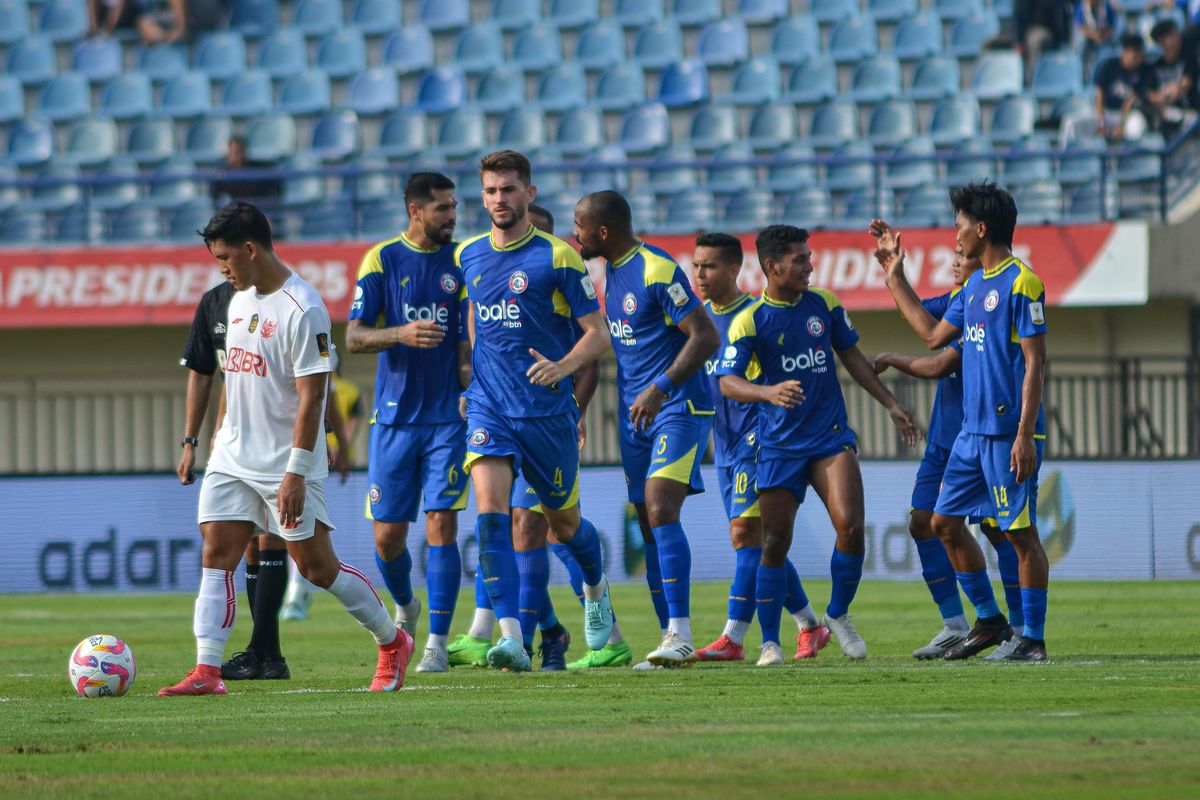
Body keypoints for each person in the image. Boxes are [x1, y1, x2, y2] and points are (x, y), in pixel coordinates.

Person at [159, 202, 413, 696]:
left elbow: (313, 394)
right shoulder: (235, 301)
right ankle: (207, 670)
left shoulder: (304, 307)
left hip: (286, 464)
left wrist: (296, 472)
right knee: (217, 553)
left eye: (226, 258)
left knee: (317, 568)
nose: (222, 269)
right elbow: (233, 374)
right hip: (234, 456)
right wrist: (217, 438)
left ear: (251, 249)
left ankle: (392, 641)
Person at [717, 225, 920, 664]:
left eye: (810, 258)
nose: (810, 266)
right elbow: (729, 383)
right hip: (777, 445)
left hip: (829, 437)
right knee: (774, 542)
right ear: (772, 266)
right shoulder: (750, 320)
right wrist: (767, 392)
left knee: (850, 528)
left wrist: (891, 404)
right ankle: (770, 643)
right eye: (800, 260)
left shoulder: (824, 304)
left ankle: (839, 614)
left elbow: (851, 358)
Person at [879, 181, 1051, 662]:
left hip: (1006, 434)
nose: (954, 236)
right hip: (969, 436)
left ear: (981, 228)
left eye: (958, 226)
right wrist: (894, 276)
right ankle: (991, 622)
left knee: (1019, 534)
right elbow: (934, 336)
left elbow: (1036, 363)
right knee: (943, 523)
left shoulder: (1023, 282)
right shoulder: (973, 285)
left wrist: (1023, 434)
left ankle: (1032, 640)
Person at [456, 150, 614, 672]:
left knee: (563, 526)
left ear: (530, 194)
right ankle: (511, 639)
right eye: (490, 191)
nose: (499, 199)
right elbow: (478, 320)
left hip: (546, 415)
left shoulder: (558, 257)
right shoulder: (470, 256)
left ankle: (594, 587)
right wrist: (477, 378)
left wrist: (561, 367)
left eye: (508, 189)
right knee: (490, 520)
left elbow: (599, 334)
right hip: (489, 410)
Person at [573, 191, 721, 667]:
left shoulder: (657, 269)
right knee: (648, 521)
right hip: (637, 417)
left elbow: (706, 335)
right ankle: (667, 637)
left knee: (660, 508)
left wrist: (660, 385)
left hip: (677, 405)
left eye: (579, 226)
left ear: (602, 231)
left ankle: (681, 633)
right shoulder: (611, 273)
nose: (574, 234)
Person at [343, 172, 471, 674]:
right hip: (394, 419)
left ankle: (437, 641)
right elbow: (353, 336)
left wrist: (469, 381)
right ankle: (408, 607)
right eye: (443, 208)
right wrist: (400, 332)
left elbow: (467, 341)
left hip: (447, 418)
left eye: (454, 207)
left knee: (442, 524)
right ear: (416, 211)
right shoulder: (382, 259)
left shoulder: (462, 261)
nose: (453, 216)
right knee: (387, 538)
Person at [691, 233, 829, 666]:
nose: (699, 275)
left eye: (709, 266)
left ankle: (735, 635)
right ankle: (810, 624)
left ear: (734, 270)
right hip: (725, 442)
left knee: (746, 535)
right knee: (759, 542)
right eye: (696, 266)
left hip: (759, 438)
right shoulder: (696, 323)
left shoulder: (756, 315)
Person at [178, 275, 300, 680]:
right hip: (235, 445)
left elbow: (314, 377)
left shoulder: (286, 299)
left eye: (227, 255)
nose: (224, 265)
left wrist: (327, 432)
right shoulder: (214, 302)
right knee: (248, 547)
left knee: (278, 542)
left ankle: (268, 651)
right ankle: (266, 652)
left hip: (280, 442)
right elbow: (205, 373)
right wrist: (191, 440)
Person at [1094, 34, 1157, 142]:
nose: (1135, 58)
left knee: (1137, 125)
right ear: (1124, 52)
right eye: (1131, 53)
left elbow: (1131, 101)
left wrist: (1121, 125)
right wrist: (1100, 120)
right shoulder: (1109, 66)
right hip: (1107, 112)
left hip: (1130, 114)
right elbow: (1099, 93)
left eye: (1138, 54)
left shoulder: (1145, 71)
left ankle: (1133, 158)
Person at [1149, 19, 1198, 138]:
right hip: (1166, 118)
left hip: (1189, 112)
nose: (1178, 37)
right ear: (1162, 40)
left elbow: (1183, 87)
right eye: (1173, 34)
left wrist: (1166, 93)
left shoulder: (1189, 60)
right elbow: (1153, 96)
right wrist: (1167, 94)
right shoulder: (1155, 67)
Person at [1014, 0, 1075, 81]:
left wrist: (1065, 38)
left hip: (1056, 34)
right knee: (1036, 39)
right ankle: (1033, 80)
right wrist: (1019, 40)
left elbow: (1065, 14)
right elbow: (1019, 15)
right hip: (1034, 29)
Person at [211, 137, 283, 205]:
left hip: (260, 210)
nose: (240, 156)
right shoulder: (224, 173)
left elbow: (276, 186)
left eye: (242, 151)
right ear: (229, 154)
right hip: (239, 212)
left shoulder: (259, 169)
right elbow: (214, 194)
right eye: (236, 152)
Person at [1075, 0, 1118, 77]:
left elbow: (1111, 26)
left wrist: (1102, 36)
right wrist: (1094, 35)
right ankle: (1084, 76)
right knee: (1082, 47)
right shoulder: (1082, 6)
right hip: (1088, 38)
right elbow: (1080, 26)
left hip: (1104, 37)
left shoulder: (1106, 6)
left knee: (1110, 50)